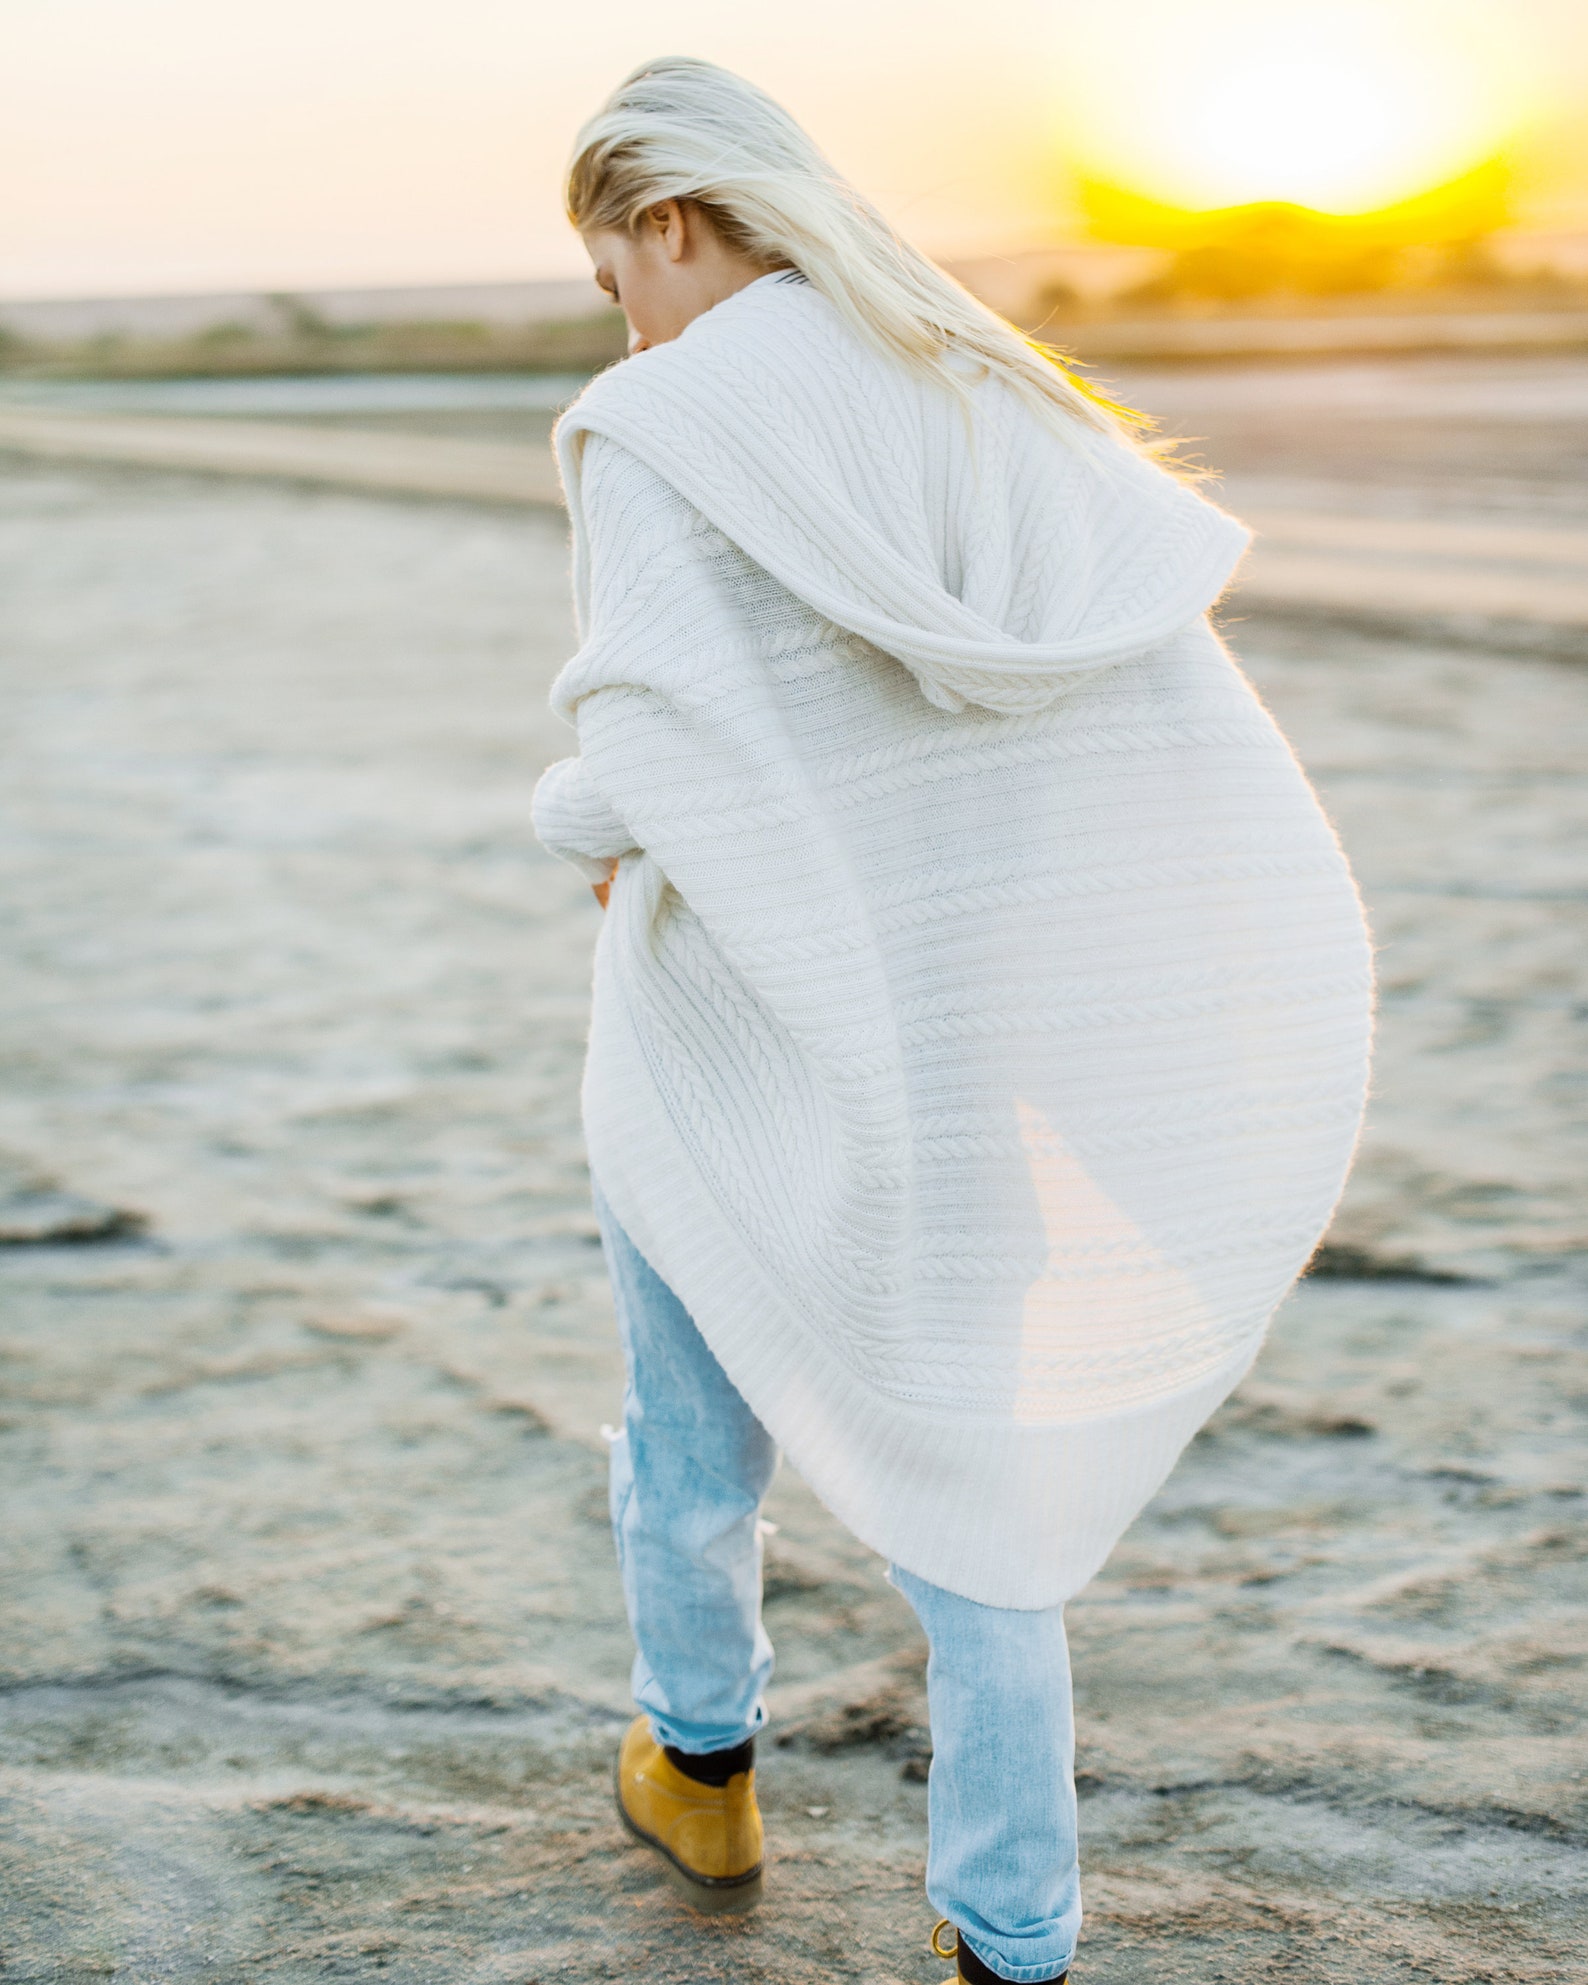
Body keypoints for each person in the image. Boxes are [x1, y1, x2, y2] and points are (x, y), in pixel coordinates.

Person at [532, 57, 1373, 1984]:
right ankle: (1011, 1926)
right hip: (969, 1011)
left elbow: (653, 733)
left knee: (688, 1427)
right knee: (979, 1470)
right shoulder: (981, 383)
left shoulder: (656, 418)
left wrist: (565, 822)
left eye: (614, 274)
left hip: (733, 1009)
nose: (623, 315)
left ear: (666, 218)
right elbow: (1102, 700)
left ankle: (704, 1768)